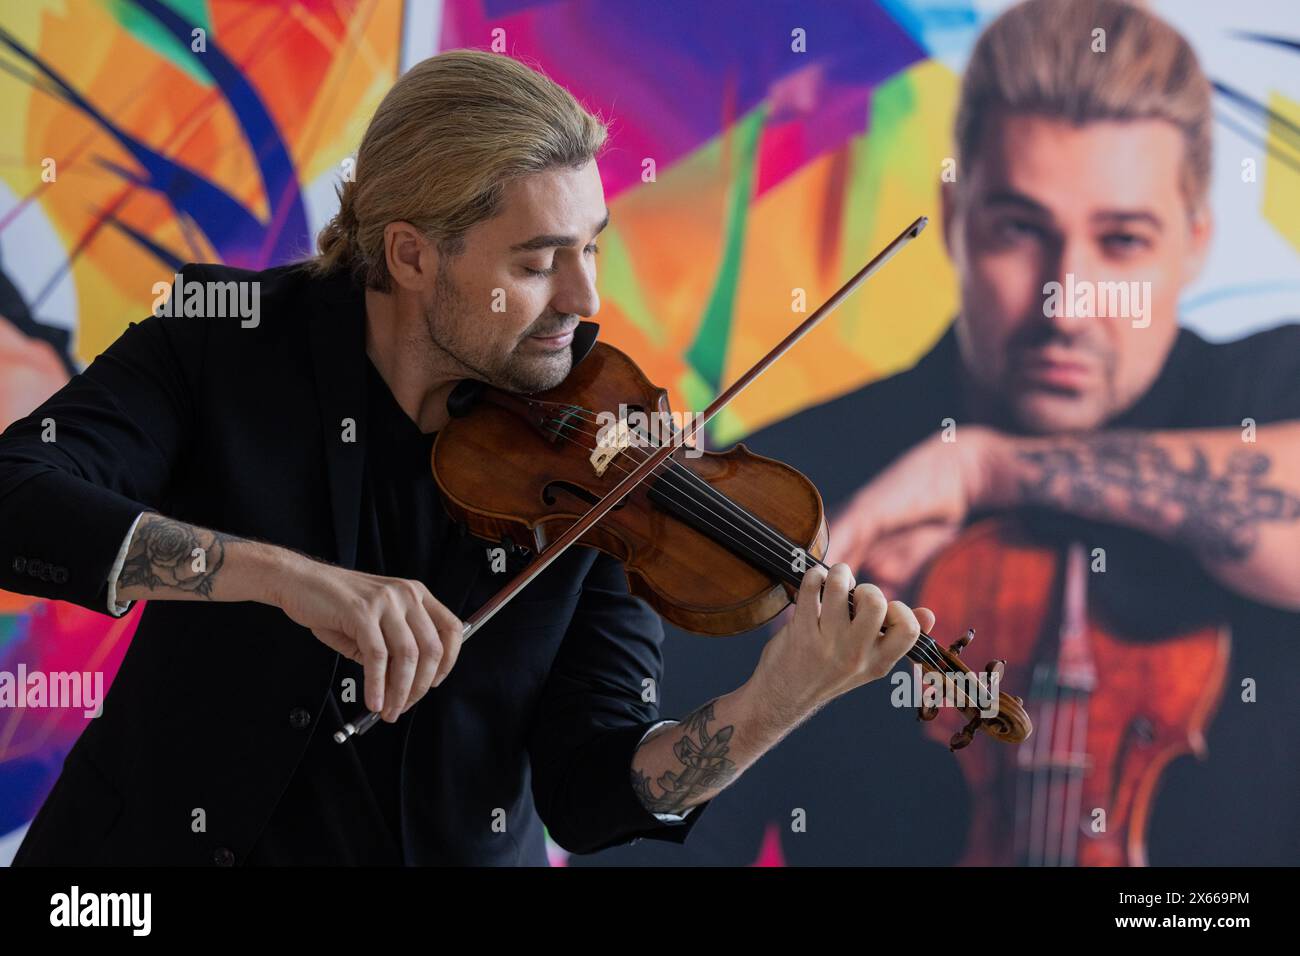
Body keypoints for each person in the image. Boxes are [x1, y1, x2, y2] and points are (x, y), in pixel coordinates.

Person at [0, 49, 930, 866]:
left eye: (593, 248)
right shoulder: (222, 338)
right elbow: (17, 497)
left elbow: (588, 789)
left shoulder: (612, 456)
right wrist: (280, 577)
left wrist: (769, 707)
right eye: (536, 264)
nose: (584, 299)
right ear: (410, 255)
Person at [605, 0, 1300, 866]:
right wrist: (773, 692)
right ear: (954, 215)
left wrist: (988, 470)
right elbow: (653, 835)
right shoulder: (785, 485)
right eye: (1019, 229)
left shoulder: (1267, 395)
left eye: (1122, 240)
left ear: (1196, 242)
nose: (1064, 301)